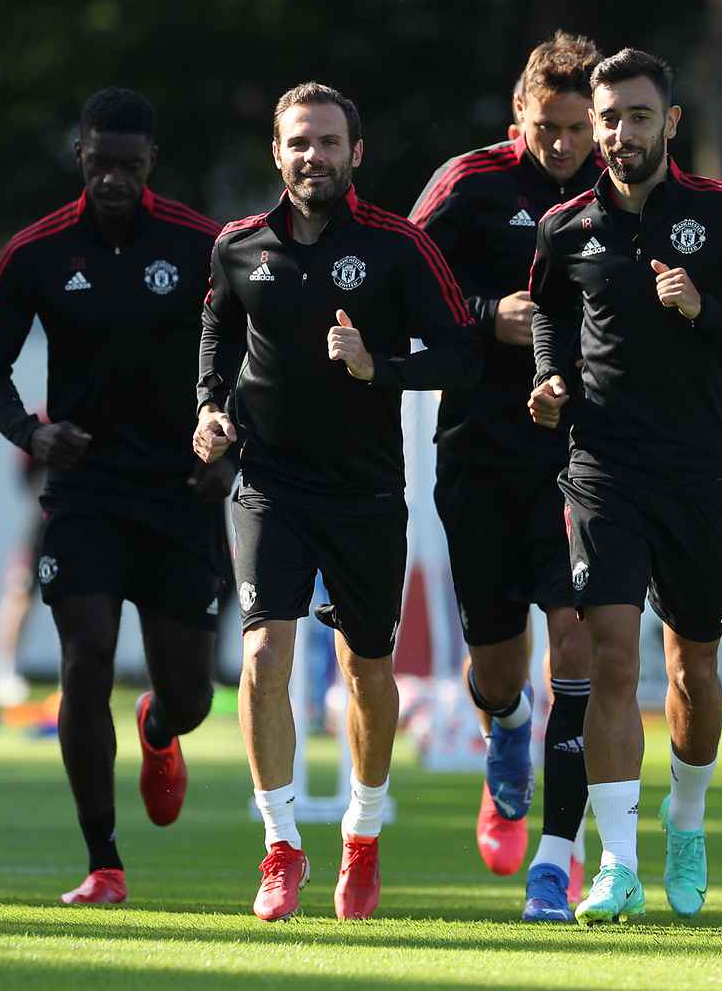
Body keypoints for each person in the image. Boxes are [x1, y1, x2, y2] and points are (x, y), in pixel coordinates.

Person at [527, 47, 722, 924]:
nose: (617, 133)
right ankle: (617, 862)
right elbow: (546, 311)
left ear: (670, 123)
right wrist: (551, 379)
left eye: (636, 116)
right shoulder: (566, 226)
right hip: (603, 471)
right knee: (612, 657)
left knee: (694, 668)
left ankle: (686, 825)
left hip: (700, 477)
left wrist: (704, 312)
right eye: (607, 118)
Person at [195, 81, 480, 922]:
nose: (311, 156)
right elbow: (214, 334)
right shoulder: (240, 245)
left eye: (327, 142)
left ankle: (362, 833)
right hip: (267, 484)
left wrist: (377, 369)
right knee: (260, 660)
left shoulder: (399, 246)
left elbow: (461, 356)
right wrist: (209, 409)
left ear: (356, 153)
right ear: (275, 154)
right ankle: (281, 845)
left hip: (363, 492)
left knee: (367, 669)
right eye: (297, 142)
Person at [0, 87, 229, 905]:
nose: (113, 178)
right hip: (83, 492)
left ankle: (160, 729)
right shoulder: (38, 251)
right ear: (79, 156)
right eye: (99, 162)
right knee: (84, 660)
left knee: (190, 694)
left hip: (181, 490)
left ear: (151, 163)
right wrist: (32, 435)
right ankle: (104, 861)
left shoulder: (201, 244)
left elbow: (256, 351)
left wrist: (226, 447)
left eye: (129, 164)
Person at [409, 30, 604, 921]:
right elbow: (397, 277)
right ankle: (508, 729)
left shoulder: (618, 190)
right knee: (498, 663)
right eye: (548, 127)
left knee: (578, 642)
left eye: (578, 128)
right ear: (517, 113)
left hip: (582, 458)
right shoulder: (471, 184)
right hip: (481, 447)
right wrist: (490, 318)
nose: (563, 145)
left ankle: (556, 862)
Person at [0, 442, 45, 708]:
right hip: (44, 520)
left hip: (86, 520)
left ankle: (73, 675)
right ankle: (2, 672)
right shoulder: (42, 421)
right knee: (19, 589)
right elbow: (26, 472)